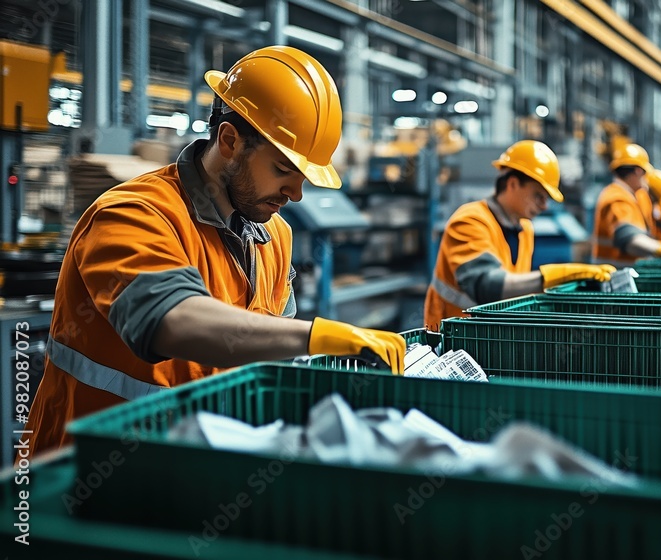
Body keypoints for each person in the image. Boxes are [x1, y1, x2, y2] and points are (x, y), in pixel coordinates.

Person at [26, 46, 406, 456]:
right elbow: (170, 320)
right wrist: (317, 336)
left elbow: (266, 355)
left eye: (303, 178)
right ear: (229, 140)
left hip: (197, 471)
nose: (296, 194)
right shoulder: (133, 213)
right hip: (85, 479)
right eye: (283, 169)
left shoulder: (273, 235)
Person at [424, 140, 615, 330]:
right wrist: (553, 276)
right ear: (513, 184)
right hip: (450, 340)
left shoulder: (525, 229)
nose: (544, 205)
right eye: (538, 196)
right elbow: (486, 286)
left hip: (491, 335)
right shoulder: (469, 221)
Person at [592, 144, 661, 266]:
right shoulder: (617, 197)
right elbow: (631, 241)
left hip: (625, 272)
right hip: (614, 276)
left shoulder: (635, 195)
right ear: (638, 171)